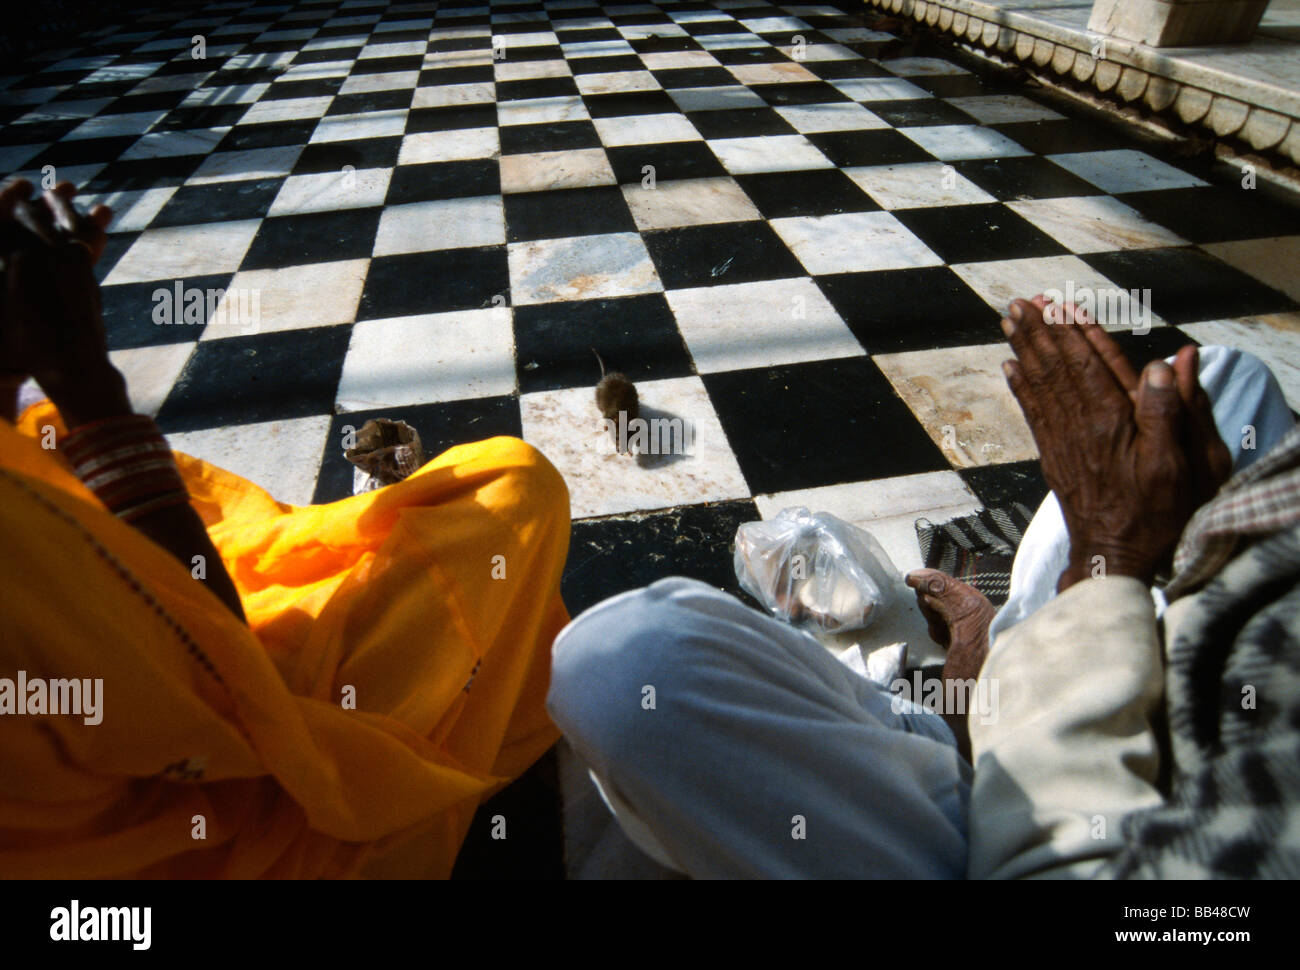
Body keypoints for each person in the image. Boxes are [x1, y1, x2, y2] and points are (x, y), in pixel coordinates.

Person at [547, 295, 1300, 879]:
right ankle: (991, 674)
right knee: (1228, 381)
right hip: (1198, 681)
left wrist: (1112, 552)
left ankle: (972, 722)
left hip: (1035, 832)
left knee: (623, 671)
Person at [0, 179, 571, 878]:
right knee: (515, 490)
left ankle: (472, 691)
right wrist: (86, 382)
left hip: (136, 631)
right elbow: (218, 683)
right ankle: (459, 745)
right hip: (223, 820)